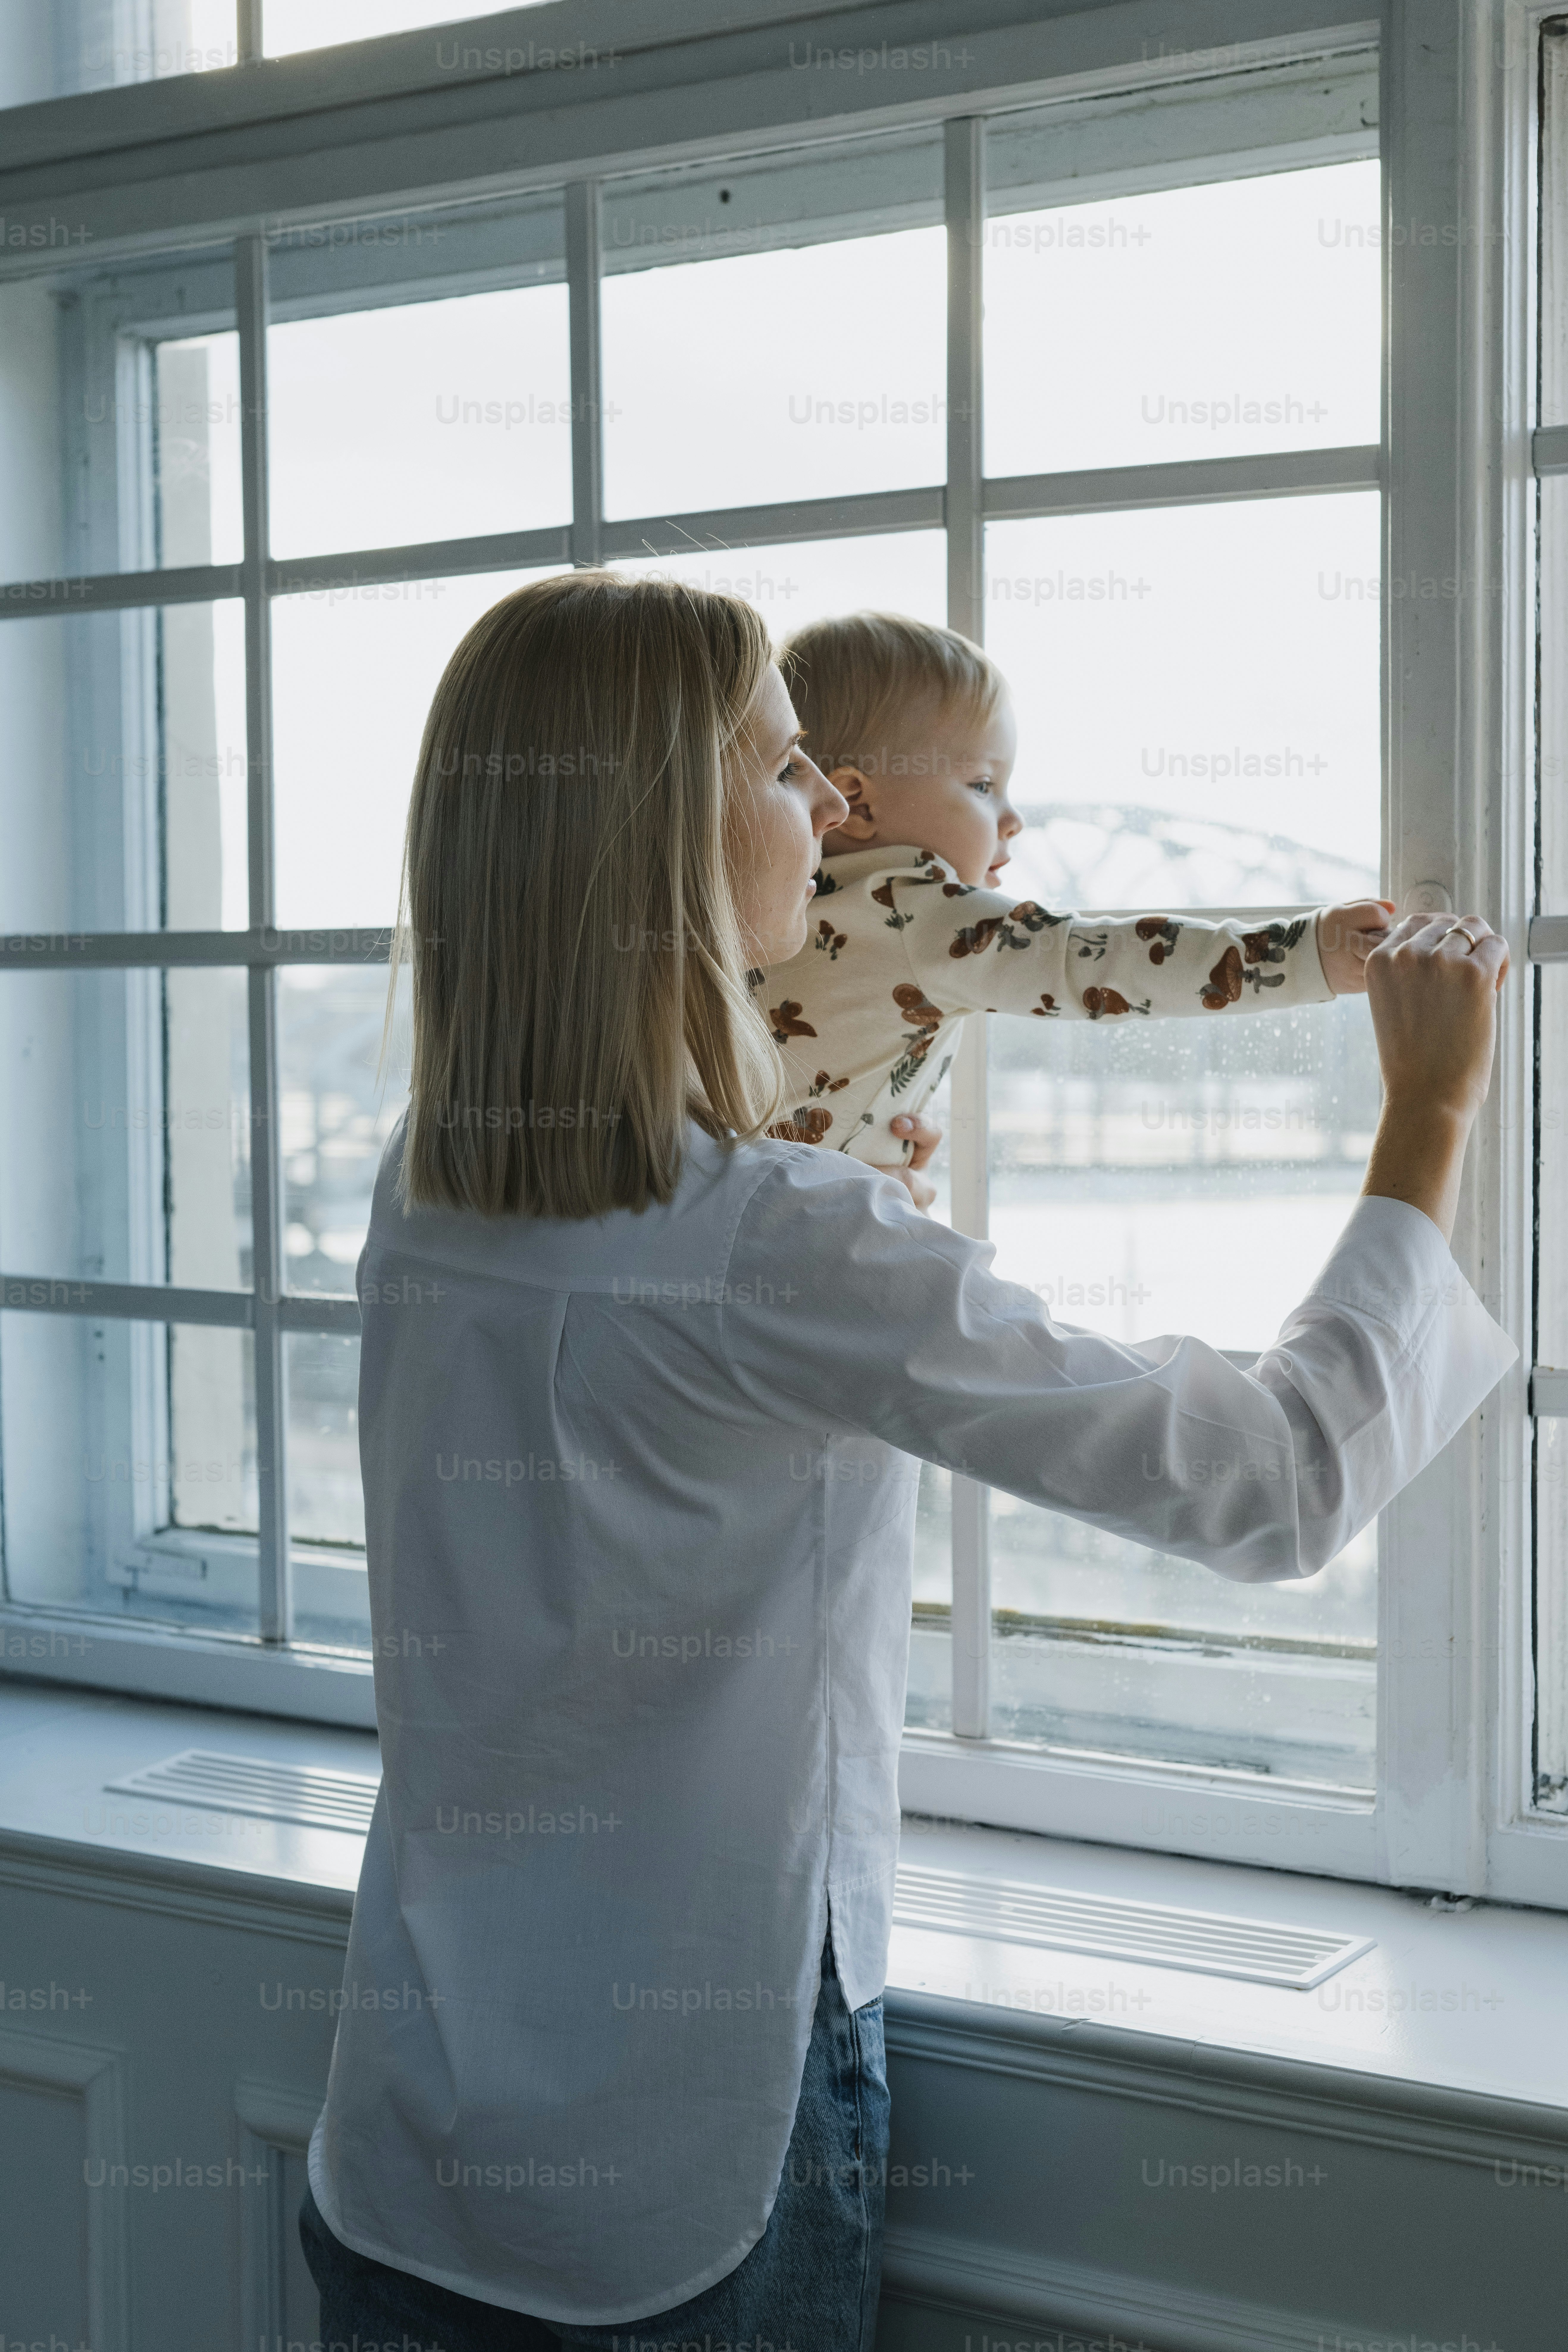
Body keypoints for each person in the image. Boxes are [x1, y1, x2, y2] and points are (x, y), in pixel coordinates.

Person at [299, 571, 1514, 2352]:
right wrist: (1429, 1113)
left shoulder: (432, 1183)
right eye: (791, 773)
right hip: (682, 2163)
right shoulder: (778, 1242)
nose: (832, 816)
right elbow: (1272, 1481)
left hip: (400, 2140)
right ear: (663, 831)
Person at [760, 611, 1392, 1177]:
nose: (1013, 819)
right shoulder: (914, 909)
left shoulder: (772, 909)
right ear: (859, 802)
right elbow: (1094, 961)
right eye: (983, 786)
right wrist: (1304, 952)